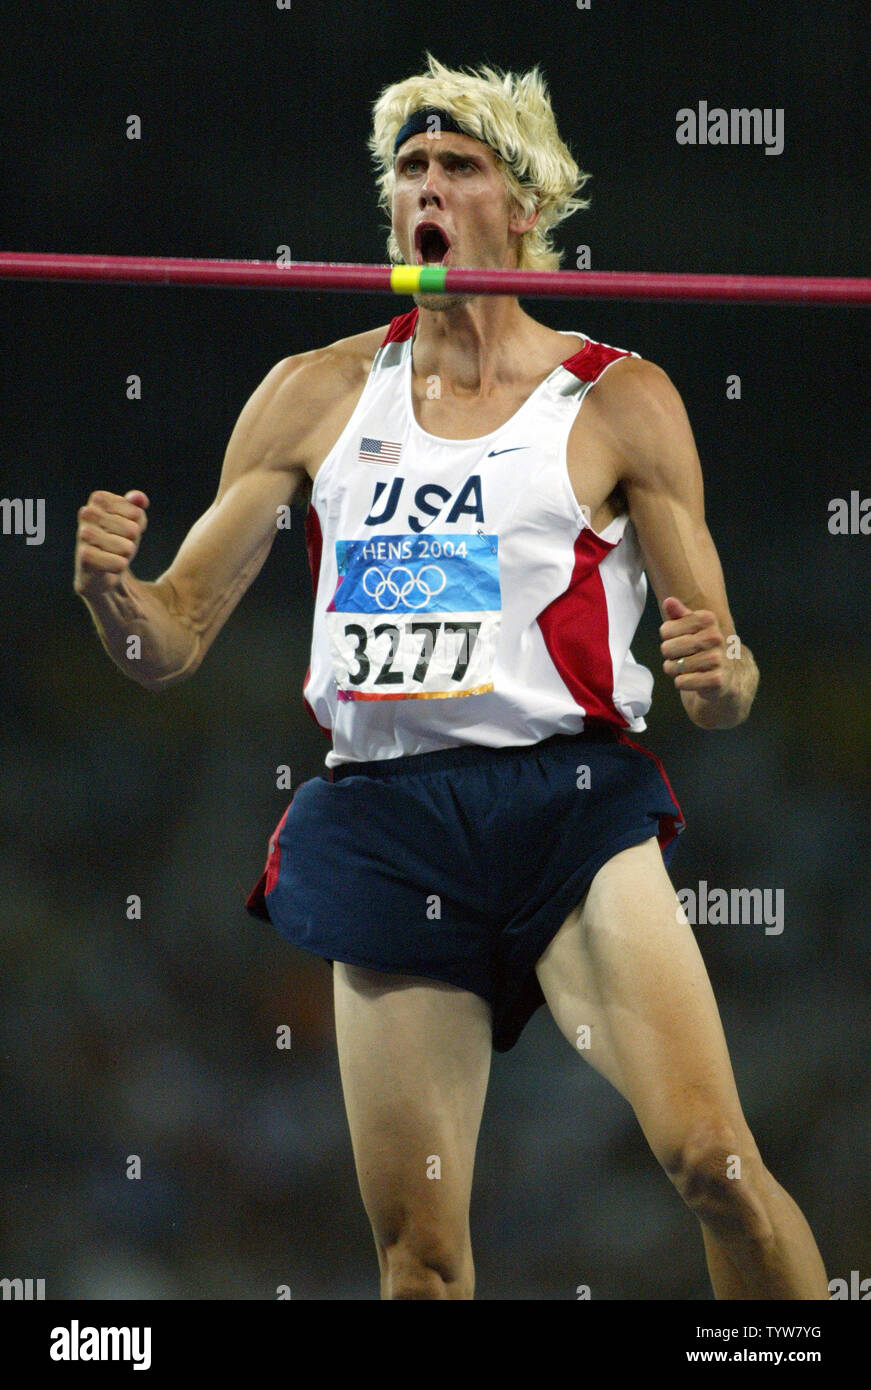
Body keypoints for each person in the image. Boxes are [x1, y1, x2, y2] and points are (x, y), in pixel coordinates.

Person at [73, 54, 829, 1301]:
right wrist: (115, 595)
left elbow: (722, 682)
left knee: (714, 1165)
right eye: (409, 169)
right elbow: (172, 641)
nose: (425, 187)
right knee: (419, 1264)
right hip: (384, 819)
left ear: (521, 207)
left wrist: (718, 669)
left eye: (457, 167)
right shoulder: (313, 394)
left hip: (569, 809)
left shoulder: (617, 400)